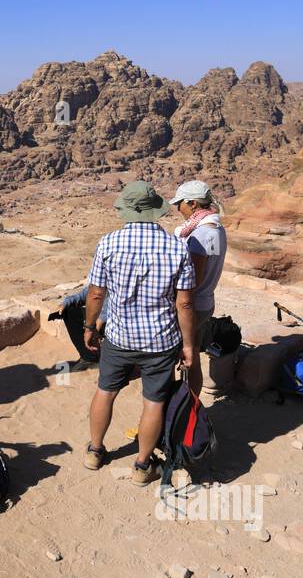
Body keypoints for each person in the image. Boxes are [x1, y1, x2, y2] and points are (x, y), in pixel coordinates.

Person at [83, 181, 197, 483]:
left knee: (105, 391)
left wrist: (89, 326)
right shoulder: (176, 248)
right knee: (154, 402)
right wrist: (189, 345)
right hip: (160, 341)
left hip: (119, 337)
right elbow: (184, 303)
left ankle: (95, 451)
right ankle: (143, 466)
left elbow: (96, 294)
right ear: (155, 212)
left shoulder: (108, 243)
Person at [169, 180, 228, 398]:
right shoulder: (213, 226)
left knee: (173, 359)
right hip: (204, 304)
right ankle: (190, 407)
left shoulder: (201, 234)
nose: (177, 209)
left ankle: (177, 412)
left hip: (192, 307)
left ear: (193, 203)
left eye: (180, 204)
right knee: (192, 354)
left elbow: (191, 282)